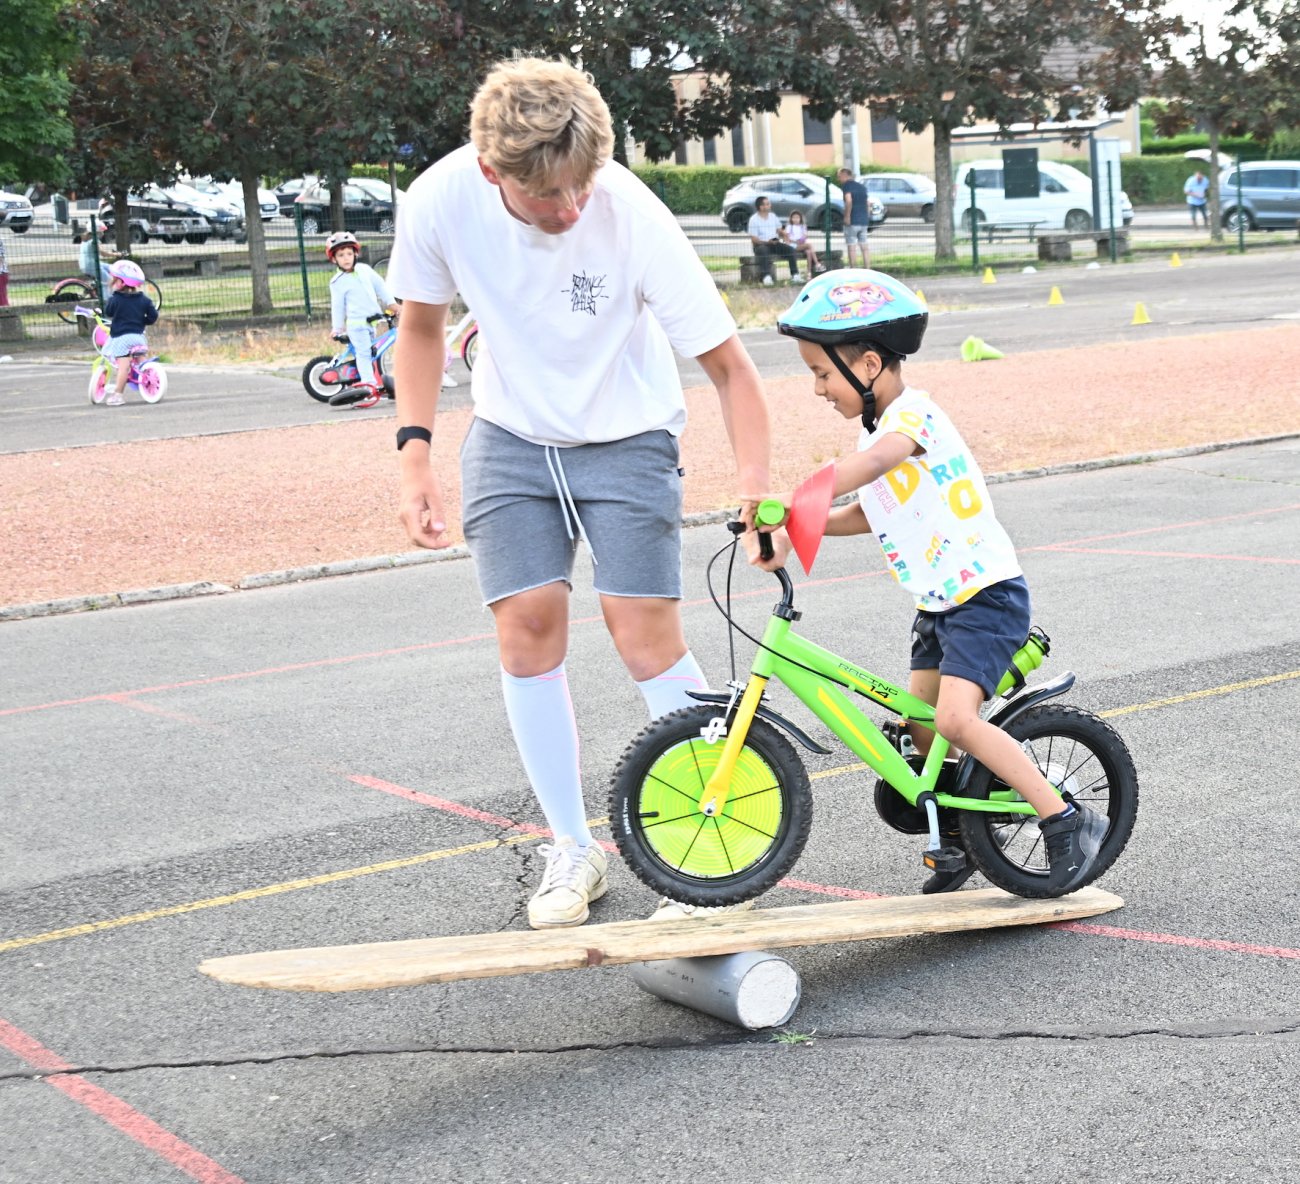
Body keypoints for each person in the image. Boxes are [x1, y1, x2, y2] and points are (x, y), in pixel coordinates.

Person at [386, 57, 772, 929]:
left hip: (628, 436)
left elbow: (730, 368)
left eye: (581, 185)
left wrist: (755, 485)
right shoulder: (440, 199)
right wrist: (415, 459)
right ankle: (572, 848)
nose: (570, 208)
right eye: (548, 194)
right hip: (511, 436)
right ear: (494, 173)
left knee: (645, 637)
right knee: (525, 629)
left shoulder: (631, 213)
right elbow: (420, 327)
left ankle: (708, 851)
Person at [752, 268, 1107, 896]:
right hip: (941, 603)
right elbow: (867, 512)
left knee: (955, 722)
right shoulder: (875, 429)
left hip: (985, 597)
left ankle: (1063, 818)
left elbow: (875, 464)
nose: (817, 388)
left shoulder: (912, 418)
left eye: (822, 373)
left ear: (868, 365)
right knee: (921, 726)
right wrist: (793, 526)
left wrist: (800, 494)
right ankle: (967, 839)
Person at [326, 231, 398, 402]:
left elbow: (381, 286)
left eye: (349, 254)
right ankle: (368, 385)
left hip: (371, 323)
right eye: (341, 255)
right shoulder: (337, 282)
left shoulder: (365, 270)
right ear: (334, 259)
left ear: (355, 254)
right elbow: (337, 307)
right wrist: (337, 328)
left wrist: (392, 303)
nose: (346, 258)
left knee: (371, 353)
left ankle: (372, 382)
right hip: (356, 325)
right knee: (364, 353)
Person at [100, 259, 159, 407]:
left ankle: (118, 394)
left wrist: (111, 300)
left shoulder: (116, 299)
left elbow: (109, 312)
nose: (112, 283)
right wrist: (142, 321)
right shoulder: (144, 300)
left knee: (123, 367)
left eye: (114, 280)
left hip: (122, 339)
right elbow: (153, 317)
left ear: (121, 283)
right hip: (139, 338)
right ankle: (149, 377)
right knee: (141, 361)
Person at [747, 196, 800, 285]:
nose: (769, 205)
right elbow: (754, 240)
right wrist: (767, 242)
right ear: (761, 207)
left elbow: (779, 230)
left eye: (769, 204)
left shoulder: (773, 216)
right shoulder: (753, 219)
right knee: (763, 251)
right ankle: (766, 277)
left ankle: (795, 275)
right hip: (761, 245)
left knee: (790, 250)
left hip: (774, 243)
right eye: (767, 204)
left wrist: (785, 234)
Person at [837, 167, 871, 268]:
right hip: (863, 221)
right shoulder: (862, 187)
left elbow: (849, 200)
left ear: (845, 175)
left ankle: (853, 269)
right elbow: (867, 203)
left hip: (853, 220)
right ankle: (867, 268)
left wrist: (847, 216)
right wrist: (866, 216)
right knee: (864, 246)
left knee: (851, 246)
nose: (839, 179)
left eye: (839, 176)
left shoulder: (847, 186)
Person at [784, 210, 821, 276]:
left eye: (797, 217)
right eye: (794, 218)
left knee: (809, 252)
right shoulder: (790, 226)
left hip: (802, 245)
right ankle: (817, 263)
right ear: (791, 219)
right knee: (809, 245)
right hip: (793, 246)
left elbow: (804, 236)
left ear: (800, 218)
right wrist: (795, 241)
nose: (795, 219)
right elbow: (787, 238)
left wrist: (802, 240)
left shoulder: (802, 226)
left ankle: (809, 273)